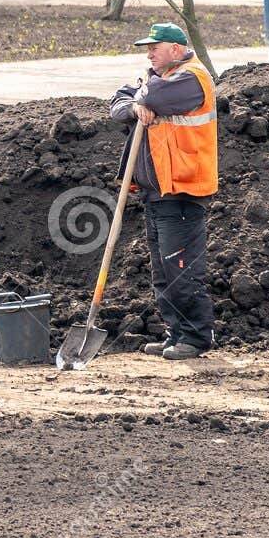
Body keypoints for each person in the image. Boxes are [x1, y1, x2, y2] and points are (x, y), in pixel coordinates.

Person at [107, 22, 218, 360]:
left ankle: (196, 337)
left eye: (155, 47)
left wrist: (141, 96)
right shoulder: (159, 78)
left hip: (183, 191)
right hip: (157, 191)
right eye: (147, 49)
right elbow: (117, 103)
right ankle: (176, 333)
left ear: (175, 48)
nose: (149, 53)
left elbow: (152, 95)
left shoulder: (191, 78)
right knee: (163, 268)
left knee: (181, 267)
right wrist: (133, 106)